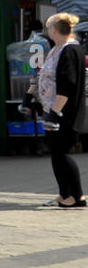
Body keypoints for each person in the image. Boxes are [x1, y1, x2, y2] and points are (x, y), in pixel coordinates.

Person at [35, 13, 85, 208]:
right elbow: (45, 76)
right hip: (53, 109)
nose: (48, 32)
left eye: (49, 28)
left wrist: (55, 113)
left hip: (64, 113)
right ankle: (67, 194)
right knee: (57, 153)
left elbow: (67, 84)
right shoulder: (57, 49)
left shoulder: (69, 50)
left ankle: (74, 196)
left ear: (55, 30)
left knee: (61, 154)